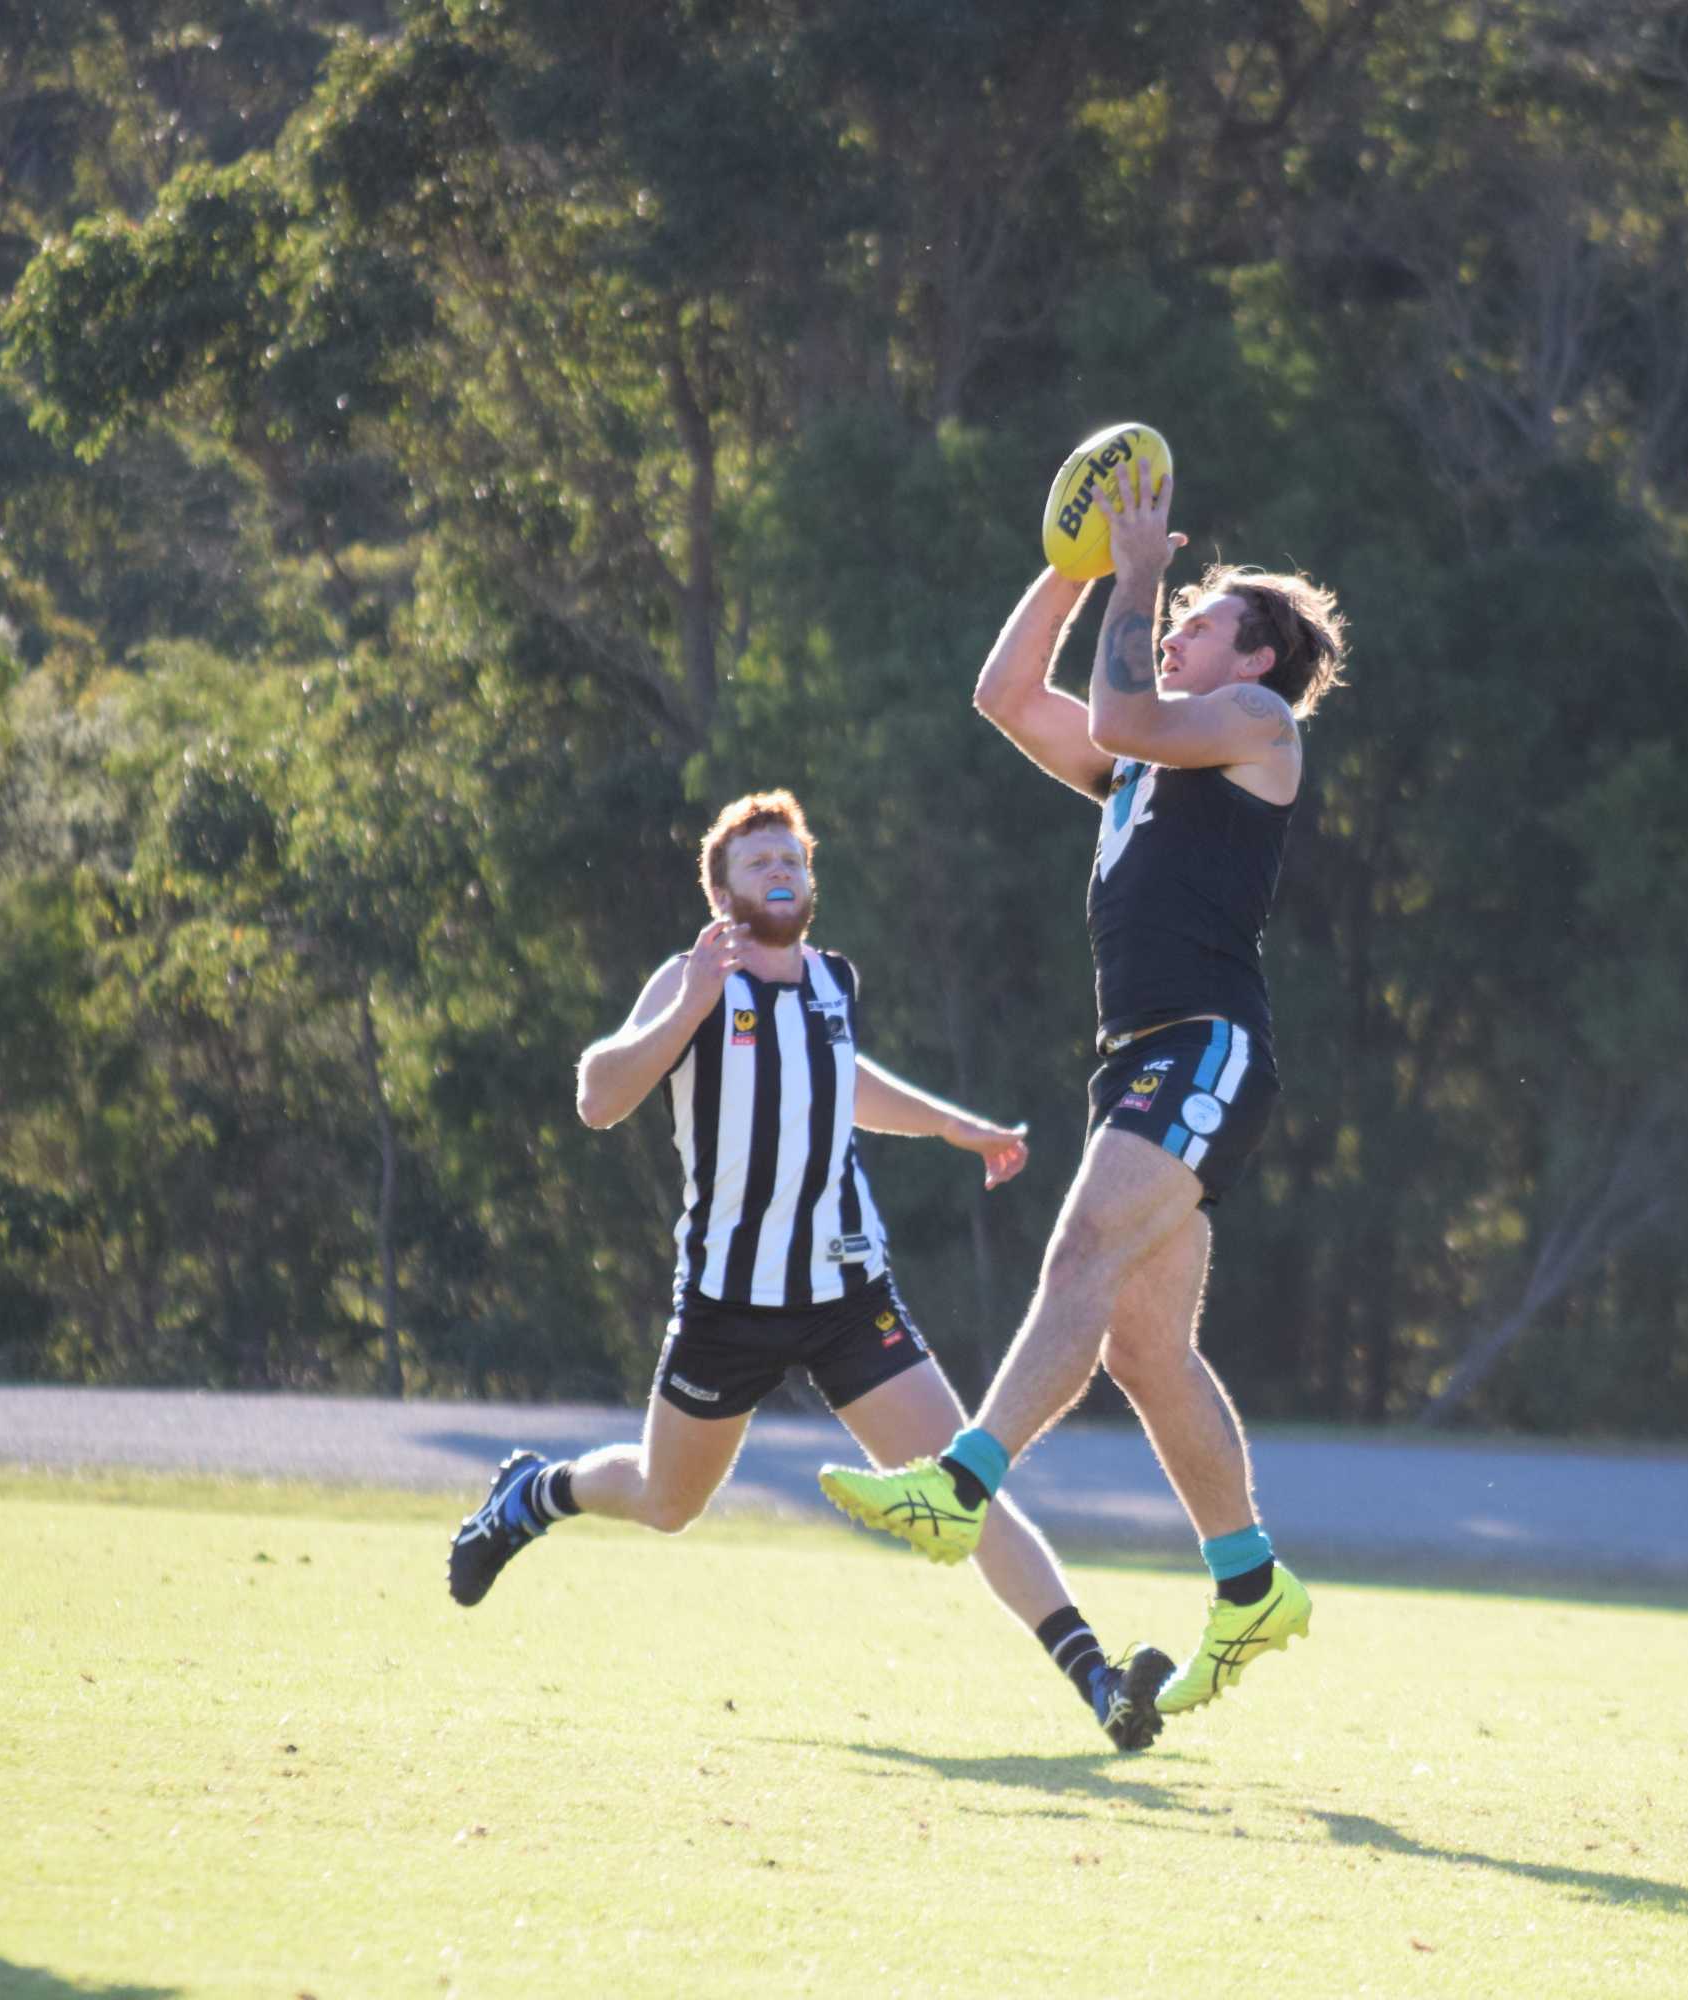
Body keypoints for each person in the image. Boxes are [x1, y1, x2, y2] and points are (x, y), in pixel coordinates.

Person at [446, 789, 1172, 1750]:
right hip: (729, 1305)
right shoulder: (694, 979)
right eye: (758, 863)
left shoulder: (833, 980)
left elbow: (841, 1080)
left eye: (792, 858)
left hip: (846, 1298)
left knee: (964, 1487)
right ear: (721, 894)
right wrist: (689, 1006)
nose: (780, 871)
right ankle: (537, 1494)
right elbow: (596, 1097)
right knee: (667, 1502)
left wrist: (952, 1126)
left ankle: (1100, 1683)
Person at [821, 461, 1346, 1721]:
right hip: (1145, 1058)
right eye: (1178, 610)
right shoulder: (1140, 767)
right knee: (1144, 1348)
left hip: (1205, 1047)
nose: (1175, 626)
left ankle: (959, 1486)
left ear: (1256, 660)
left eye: (1203, 620)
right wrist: (1073, 567)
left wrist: (1141, 572)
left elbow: (1116, 710)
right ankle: (1251, 1581)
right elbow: (1005, 696)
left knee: (1080, 1255)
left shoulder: (1257, 726)